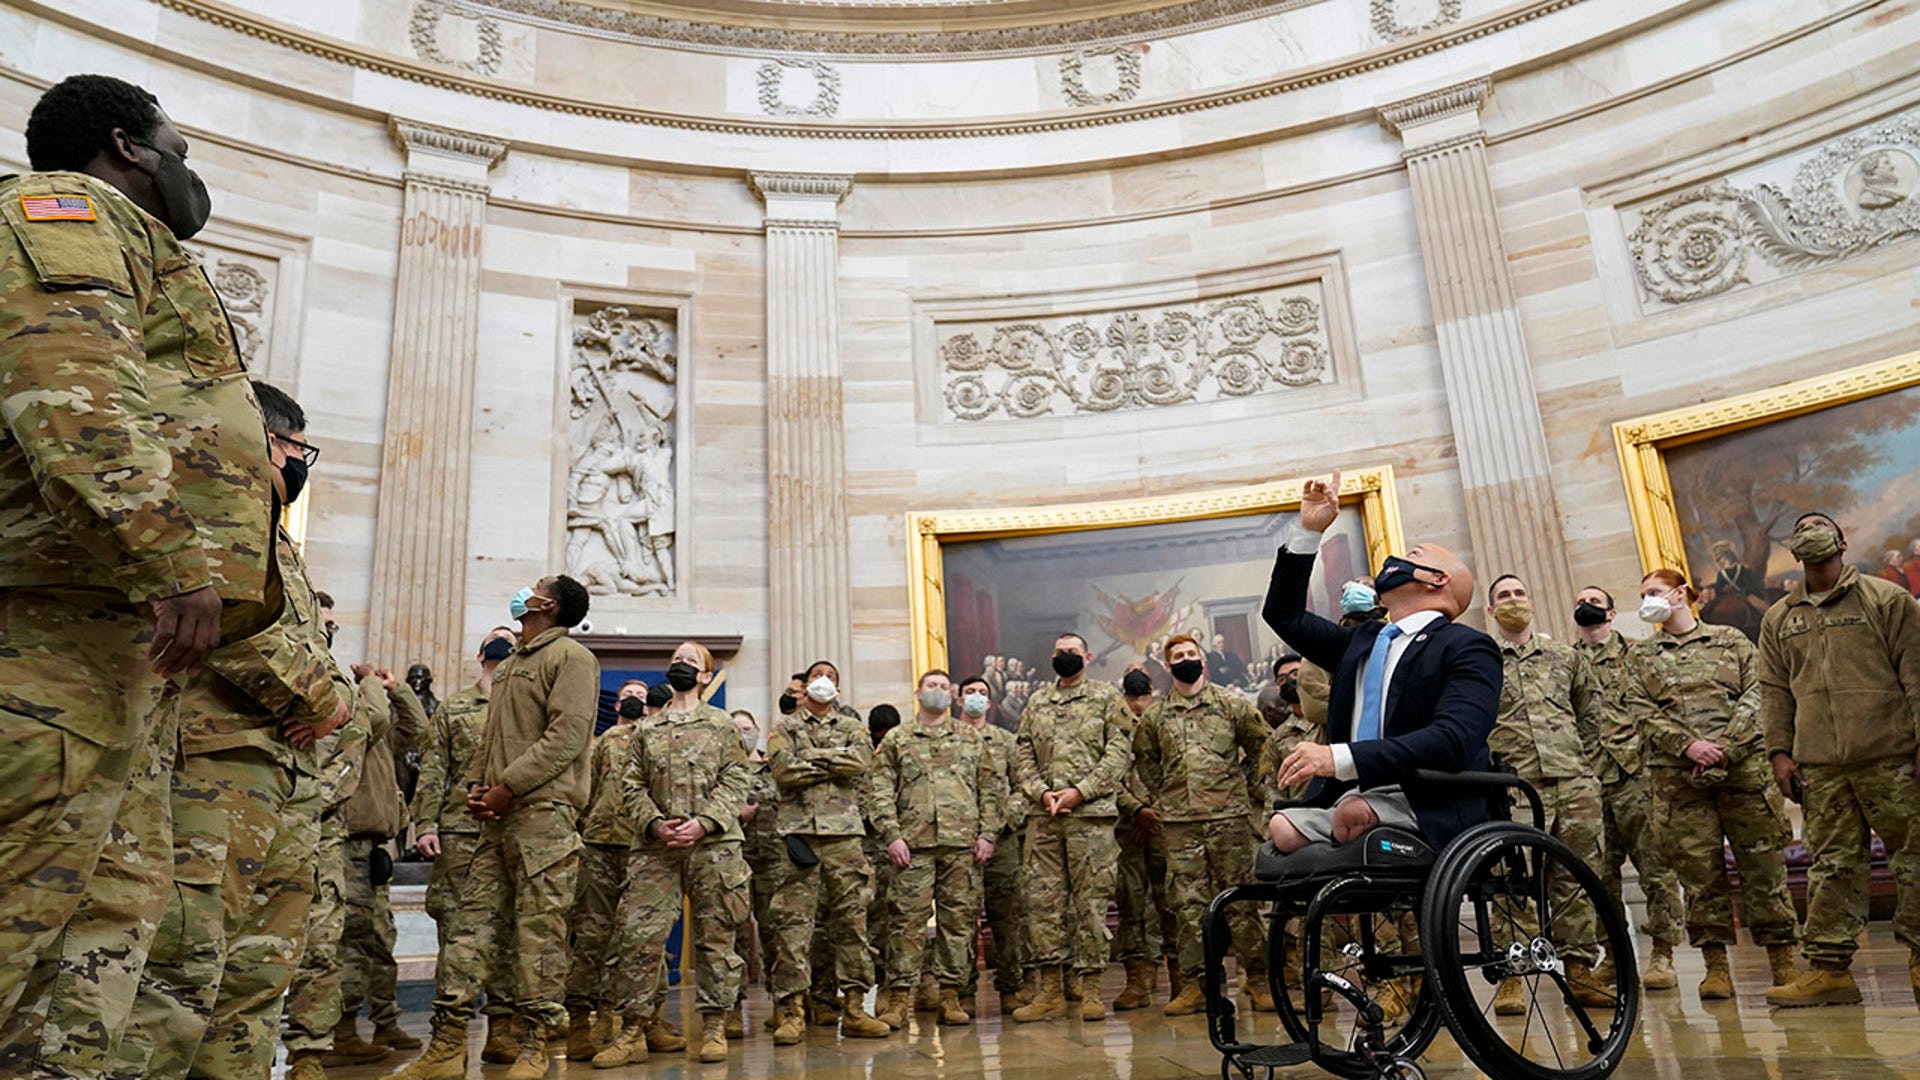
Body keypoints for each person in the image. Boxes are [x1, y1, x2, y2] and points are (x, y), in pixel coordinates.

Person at [1, 74, 279, 1072]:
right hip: (44, 640)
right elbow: (70, 390)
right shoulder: (62, 214)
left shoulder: (148, 253)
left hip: (121, 655)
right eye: (183, 146)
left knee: (98, 943)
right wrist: (169, 558)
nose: (190, 169)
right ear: (128, 144)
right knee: (21, 923)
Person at [112, 380, 350, 1080]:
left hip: (272, 782)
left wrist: (330, 698)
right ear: (263, 440)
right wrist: (317, 699)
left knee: (252, 981)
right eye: (294, 448)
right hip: (209, 775)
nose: (299, 465)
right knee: (177, 973)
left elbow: (314, 654)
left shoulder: (271, 537)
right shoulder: (207, 506)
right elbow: (238, 631)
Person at [388, 575, 598, 1080]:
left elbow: (566, 735)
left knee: (538, 932)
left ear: (548, 604)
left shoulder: (571, 659)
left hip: (543, 814)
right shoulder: (510, 668)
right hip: (493, 817)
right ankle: (447, 1045)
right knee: (469, 929)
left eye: (537, 587)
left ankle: (535, 1042)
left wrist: (508, 785)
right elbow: (490, 741)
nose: (526, 591)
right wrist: (480, 788)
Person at [1263, 471, 1501, 857]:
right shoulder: (1365, 641)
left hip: (1426, 796)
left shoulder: (1467, 646)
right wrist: (1309, 532)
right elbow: (1284, 615)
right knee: (1283, 829)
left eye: (1413, 556)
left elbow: (1453, 740)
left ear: (1437, 579)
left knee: (1352, 814)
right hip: (1356, 793)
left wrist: (1338, 757)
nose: (1396, 560)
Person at [1761, 514, 1920, 1008]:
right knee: (1830, 867)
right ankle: (1830, 970)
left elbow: (1916, 671)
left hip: (1889, 755)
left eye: (1819, 524)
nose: (1810, 530)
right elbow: (1774, 692)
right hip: (1821, 767)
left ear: (1841, 542)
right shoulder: (1779, 618)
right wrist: (1779, 752)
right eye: (1801, 526)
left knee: (1914, 859)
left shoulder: (1887, 599)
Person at [1626, 568, 1799, 1000]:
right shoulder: (1641, 657)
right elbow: (1639, 710)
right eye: (1643, 594)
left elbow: (1758, 693)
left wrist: (1724, 746)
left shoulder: (1731, 640)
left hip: (1743, 775)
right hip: (1680, 782)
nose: (1647, 600)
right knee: (1700, 875)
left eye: (1654, 592)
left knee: (1764, 871)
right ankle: (1716, 967)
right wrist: (1688, 746)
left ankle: (1783, 964)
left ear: (1681, 594)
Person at [595, 642, 752, 1066]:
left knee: (716, 936)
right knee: (638, 937)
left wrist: (704, 821)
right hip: (655, 847)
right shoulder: (647, 728)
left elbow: (738, 779)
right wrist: (654, 822)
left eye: (691, 661)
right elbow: (631, 785)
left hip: (714, 846)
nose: (680, 664)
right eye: (676, 659)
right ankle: (632, 1029)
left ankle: (715, 1025)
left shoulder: (721, 725)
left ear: (705, 676)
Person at [1484, 573, 1612, 1012]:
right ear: (1490, 610)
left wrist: (1586, 771)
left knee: (1575, 879)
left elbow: (1590, 716)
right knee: (1510, 883)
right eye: (1504, 596)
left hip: (1572, 783)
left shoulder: (1564, 656)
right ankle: (1512, 977)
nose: (1514, 600)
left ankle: (1579, 970)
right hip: (1512, 789)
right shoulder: (1480, 660)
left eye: (1520, 593)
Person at [1135, 636, 1274, 1017]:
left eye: (1191, 655)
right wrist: (1167, 794)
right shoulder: (1155, 717)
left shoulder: (1231, 705)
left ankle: (1258, 981)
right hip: (1180, 825)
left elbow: (1261, 748)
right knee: (1187, 908)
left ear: (1203, 660)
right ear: (1167, 666)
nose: (1185, 661)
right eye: (1177, 657)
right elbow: (1146, 762)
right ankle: (1199, 986)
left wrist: (1241, 785)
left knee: (1242, 903)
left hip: (1228, 820)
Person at [764, 660, 891, 1043]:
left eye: (831, 677)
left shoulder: (853, 727)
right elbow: (784, 770)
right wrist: (833, 761)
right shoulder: (785, 727)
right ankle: (791, 1012)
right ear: (805, 684)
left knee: (852, 923)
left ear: (839, 686)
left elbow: (861, 763)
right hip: (799, 836)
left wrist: (812, 760)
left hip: (845, 837)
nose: (824, 682)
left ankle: (854, 1008)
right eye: (817, 676)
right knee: (793, 927)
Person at [1012, 632, 1135, 1023]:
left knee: (1091, 904)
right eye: (1060, 652)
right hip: (1044, 818)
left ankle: (1091, 989)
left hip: (1090, 818)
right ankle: (1049, 989)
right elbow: (1023, 753)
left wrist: (1081, 792)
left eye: (1073, 652)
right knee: (1043, 904)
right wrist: (1041, 792)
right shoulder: (1037, 702)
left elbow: (1118, 753)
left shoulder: (1105, 699)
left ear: (1088, 657)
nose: (1066, 657)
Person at [870, 670, 1005, 1028]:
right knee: (905, 924)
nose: (938, 691)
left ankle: (951, 996)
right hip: (912, 846)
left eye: (945, 687)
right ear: (918, 693)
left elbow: (991, 790)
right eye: (932, 686)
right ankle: (900, 1000)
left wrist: (988, 835)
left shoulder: (971, 739)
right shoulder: (898, 739)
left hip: (962, 846)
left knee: (958, 925)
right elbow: (880, 790)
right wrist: (892, 835)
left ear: (952, 697)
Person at [409, 627, 518, 1062]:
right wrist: (424, 824)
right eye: (495, 639)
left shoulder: (525, 706)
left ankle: (503, 1028)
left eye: (510, 640)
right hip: (460, 833)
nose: (502, 645)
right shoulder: (455, 707)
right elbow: (433, 769)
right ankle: (450, 1036)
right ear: (480, 655)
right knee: (458, 934)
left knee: (508, 932)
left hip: (511, 832)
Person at [1570, 586, 1683, 993]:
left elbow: (1667, 707)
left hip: (1637, 775)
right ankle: (1614, 956)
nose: (1587, 607)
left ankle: (1663, 954)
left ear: (1613, 614)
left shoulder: (1639, 654)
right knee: (1599, 877)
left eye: (1595, 602)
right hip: (1588, 779)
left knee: (1656, 869)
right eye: (1580, 602)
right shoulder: (1567, 661)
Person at [282, 667, 390, 1079]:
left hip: (319, 826)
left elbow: (360, 736)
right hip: (250, 813)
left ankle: (308, 1051)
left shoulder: (341, 689)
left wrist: (302, 804)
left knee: (322, 943)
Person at [336, 670, 427, 1059]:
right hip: (347, 844)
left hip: (375, 847)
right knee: (351, 943)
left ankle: (386, 1025)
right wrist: (369, 680)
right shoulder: (347, 727)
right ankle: (340, 1035)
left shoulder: (380, 740)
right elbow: (374, 717)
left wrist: (398, 689)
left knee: (380, 941)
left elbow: (418, 728)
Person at [562, 681, 646, 1059]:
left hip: (641, 847)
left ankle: (631, 1021)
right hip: (598, 845)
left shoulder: (655, 741)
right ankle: (580, 1020)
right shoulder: (598, 746)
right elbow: (583, 791)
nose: (635, 700)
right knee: (591, 937)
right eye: (629, 695)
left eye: (643, 696)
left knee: (636, 940)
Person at [956, 674, 1032, 1014]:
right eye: (969, 692)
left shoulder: (1006, 741)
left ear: (989, 702)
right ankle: (961, 992)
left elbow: (1022, 787)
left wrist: (1001, 824)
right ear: (959, 701)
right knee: (958, 919)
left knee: (1008, 917)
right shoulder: (947, 739)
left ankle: (1011, 987)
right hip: (957, 841)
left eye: (981, 693)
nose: (975, 697)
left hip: (1000, 842)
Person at [1109, 668, 1176, 1012]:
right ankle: (1138, 979)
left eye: (1143, 694)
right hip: (1128, 828)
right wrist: (1136, 811)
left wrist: (1154, 812)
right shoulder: (1115, 724)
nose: (1138, 702)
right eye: (1133, 696)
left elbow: (1178, 770)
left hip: (1163, 826)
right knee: (1131, 904)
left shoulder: (1166, 719)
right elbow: (1108, 772)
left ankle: (1182, 981)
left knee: (1171, 903)